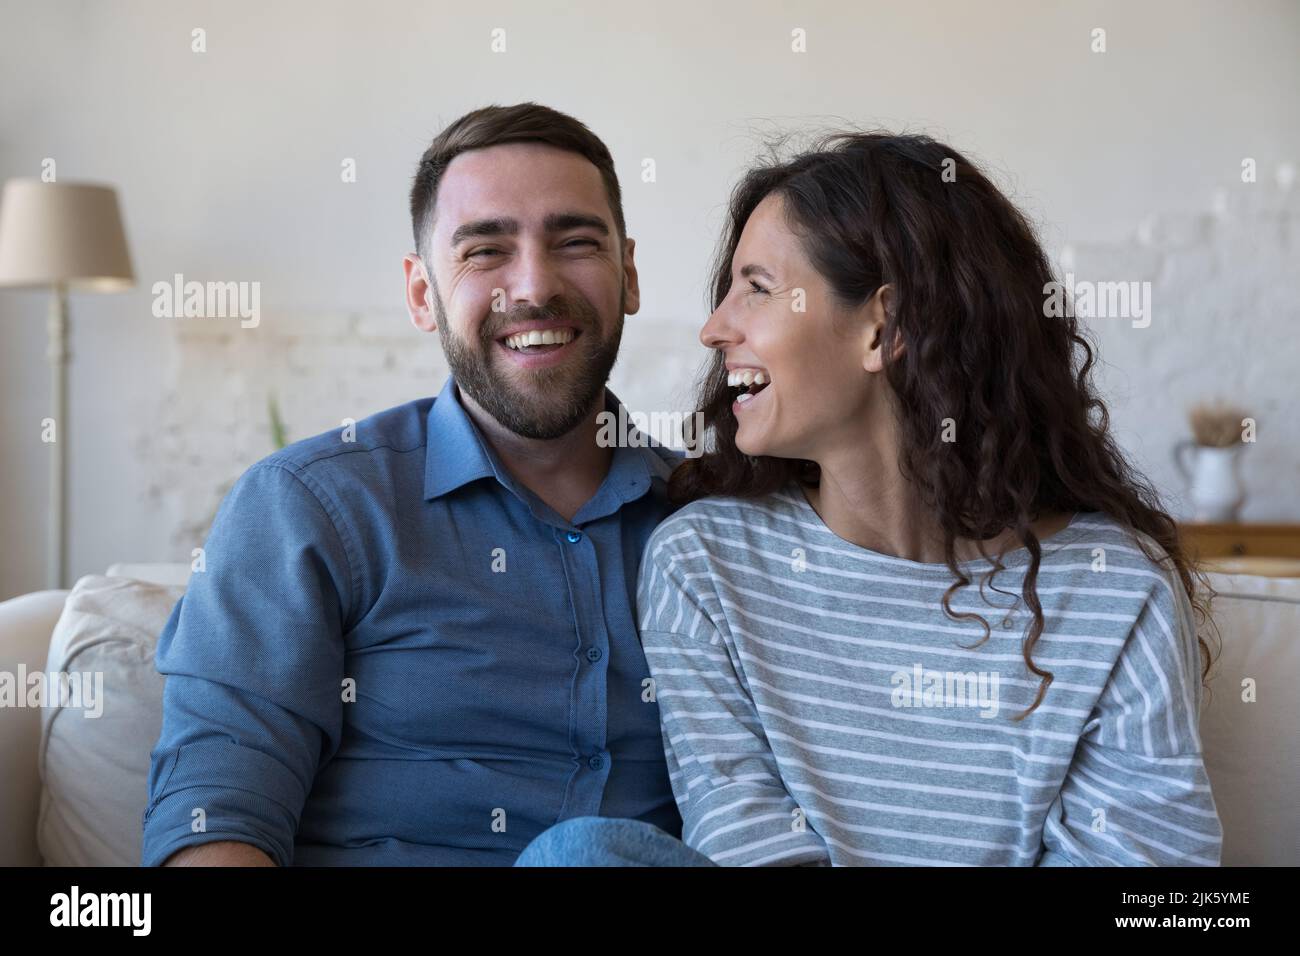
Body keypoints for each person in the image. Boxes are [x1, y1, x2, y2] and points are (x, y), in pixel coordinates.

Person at [516, 131, 1223, 867]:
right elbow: (748, 844)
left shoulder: (1118, 590)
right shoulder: (707, 564)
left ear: (884, 327)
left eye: (757, 288)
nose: (714, 328)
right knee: (582, 856)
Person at [142, 102, 685, 866]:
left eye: (575, 242)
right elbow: (215, 816)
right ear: (422, 293)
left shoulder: (711, 521)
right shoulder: (308, 508)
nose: (533, 286)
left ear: (627, 273)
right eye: (485, 250)